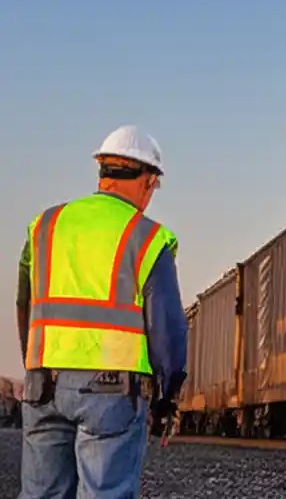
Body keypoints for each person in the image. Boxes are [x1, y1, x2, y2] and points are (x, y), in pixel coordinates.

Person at [16, 125, 187, 499]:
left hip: (43, 383)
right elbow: (167, 329)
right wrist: (168, 394)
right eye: (153, 187)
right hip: (113, 393)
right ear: (147, 180)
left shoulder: (45, 225)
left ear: (103, 171)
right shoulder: (147, 237)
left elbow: (24, 304)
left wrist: (35, 366)